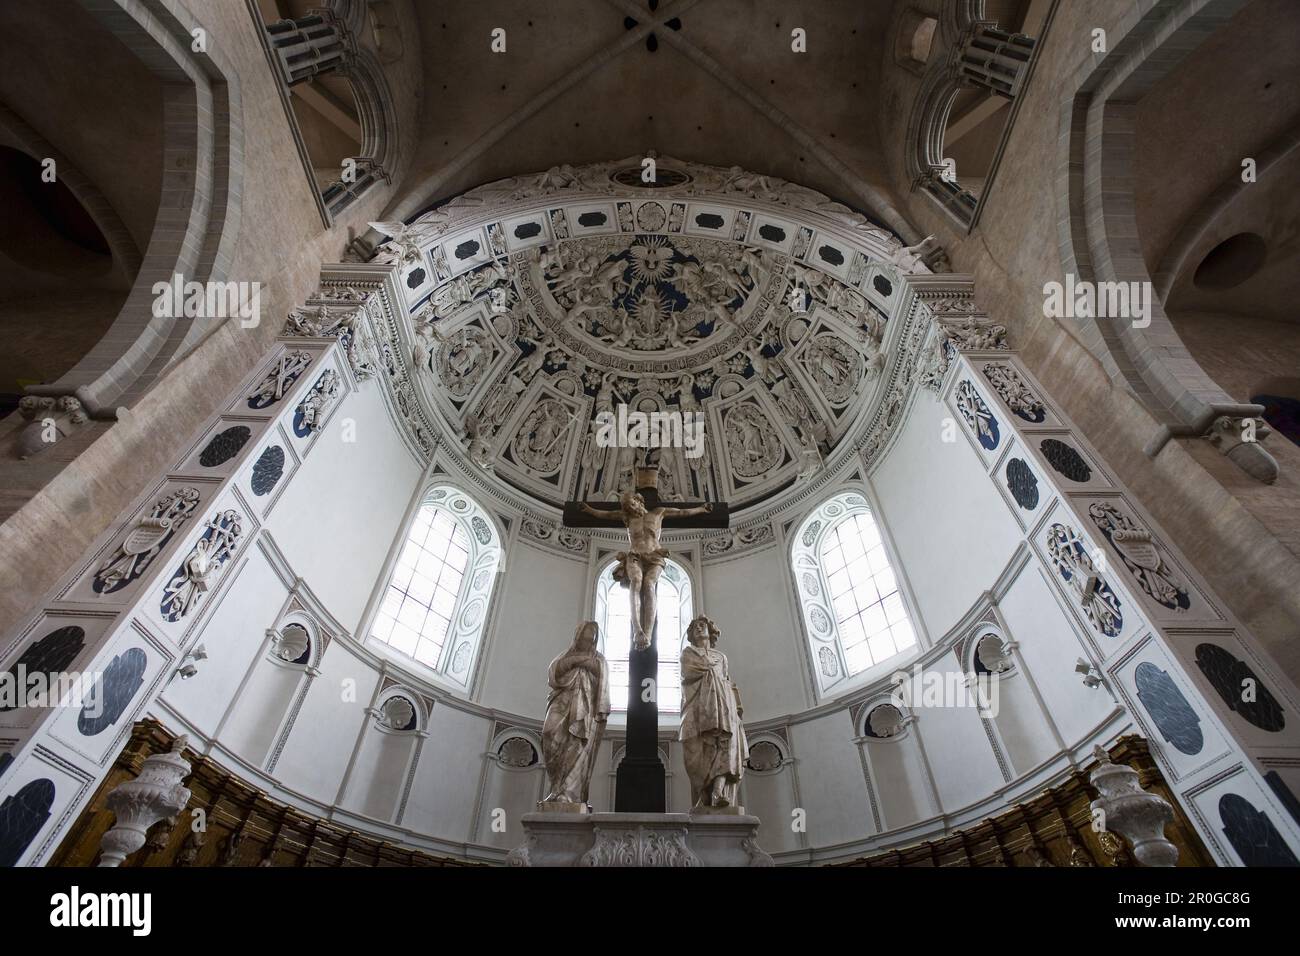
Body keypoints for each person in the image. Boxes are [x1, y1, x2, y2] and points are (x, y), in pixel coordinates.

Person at [679, 615, 748, 809]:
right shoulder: (688, 653)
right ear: (691, 634)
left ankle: (718, 793)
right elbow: (689, 674)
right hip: (699, 707)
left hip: (724, 706)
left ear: (710, 630)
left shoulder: (721, 657)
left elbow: (727, 681)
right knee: (700, 751)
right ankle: (705, 797)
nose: (699, 629)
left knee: (725, 745)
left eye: (702, 626)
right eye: (695, 628)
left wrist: (737, 707)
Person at [540, 621, 610, 806]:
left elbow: (602, 678)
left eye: (591, 638)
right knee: (549, 734)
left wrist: (584, 663)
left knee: (576, 746)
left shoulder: (599, 658)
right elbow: (553, 674)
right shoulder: (566, 655)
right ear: (577, 636)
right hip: (562, 701)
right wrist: (576, 660)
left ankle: (567, 794)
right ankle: (556, 787)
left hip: (585, 708)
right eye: (584, 636)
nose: (587, 640)